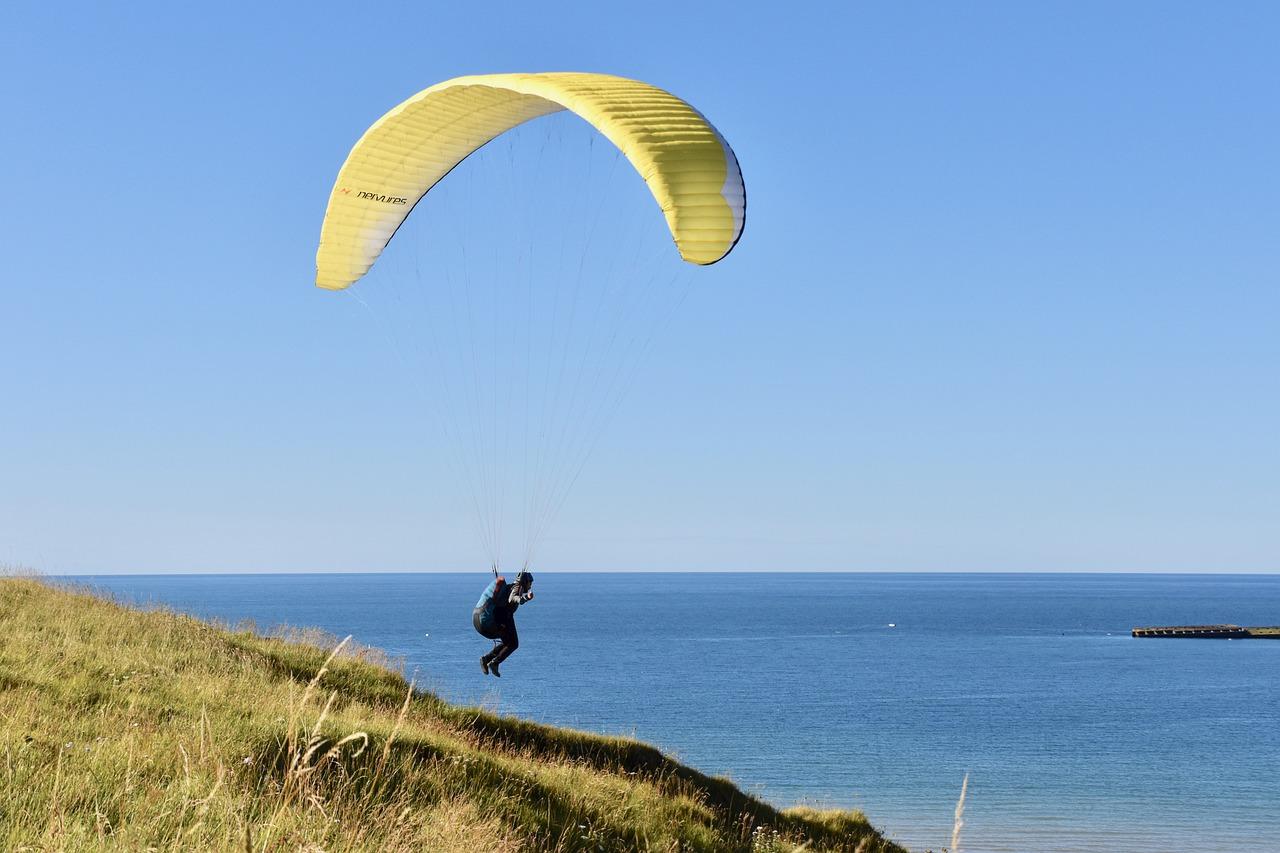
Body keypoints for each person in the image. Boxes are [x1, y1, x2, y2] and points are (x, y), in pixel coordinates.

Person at [473, 569, 534, 677]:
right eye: (530, 582)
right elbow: (513, 598)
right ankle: (494, 663)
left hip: (481, 621)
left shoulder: (510, 587)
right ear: (525, 581)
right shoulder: (518, 588)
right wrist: (524, 598)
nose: (530, 585)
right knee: (513, 643)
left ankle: (487, 659)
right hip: (498, 619)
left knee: (508, 642)